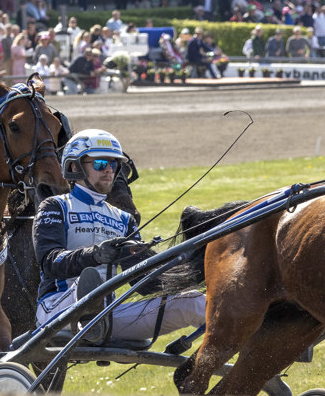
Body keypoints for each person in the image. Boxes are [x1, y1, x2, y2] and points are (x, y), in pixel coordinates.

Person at [34, 130, 205, 343]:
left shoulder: (124, 220)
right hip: (56, 311)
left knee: (196, 302)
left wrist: (195, 267)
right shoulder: (54, 206)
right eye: (100, 164)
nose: (108, 170)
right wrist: (95, 255)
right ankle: (89, 317)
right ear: (74, 167)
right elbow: (50, 262)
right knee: (89, 283)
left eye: (113, 164)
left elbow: (145, 282)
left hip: (108, 316)